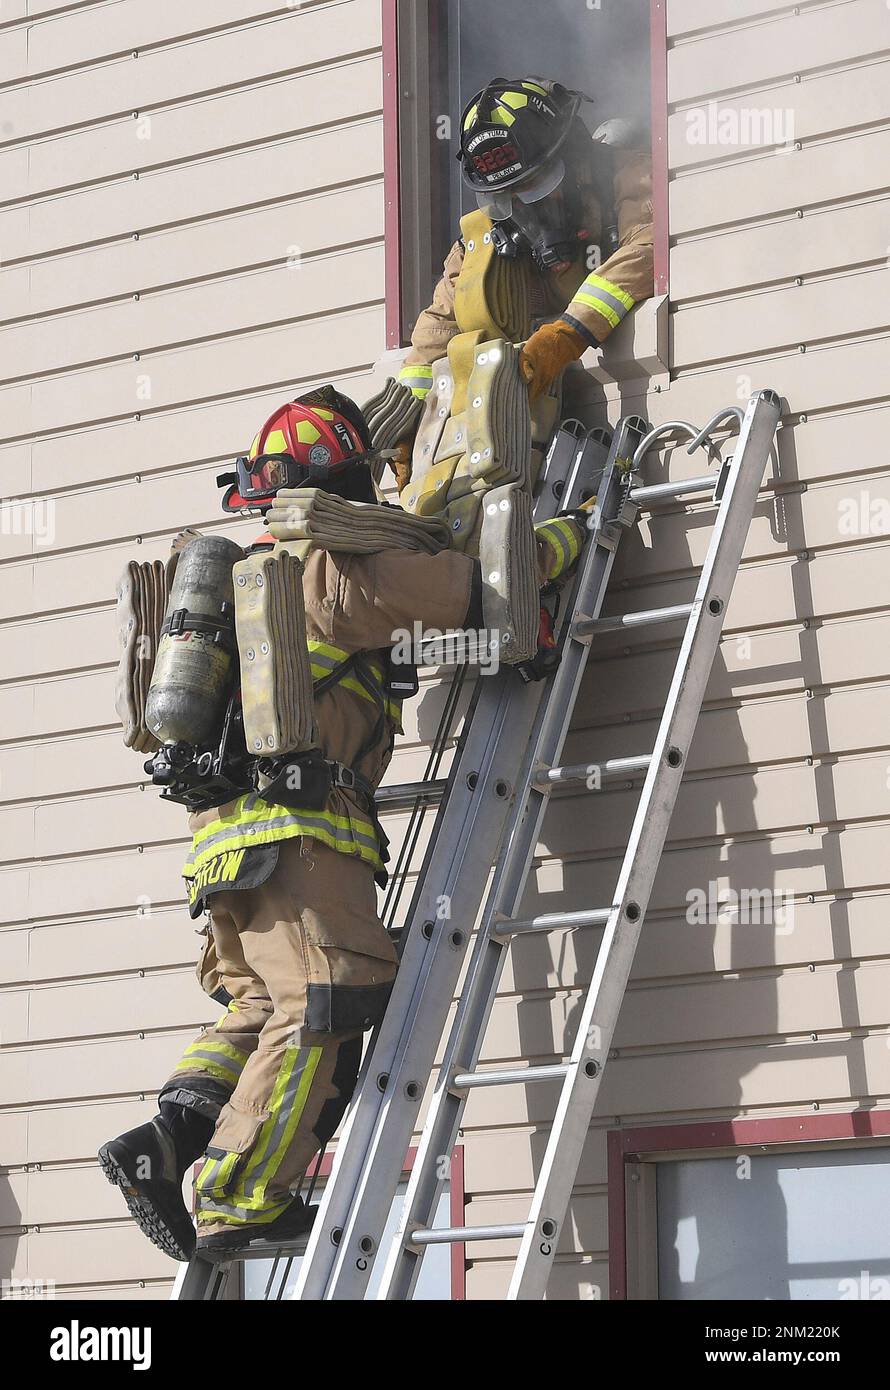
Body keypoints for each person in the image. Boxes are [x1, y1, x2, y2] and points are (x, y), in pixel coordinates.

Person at [99, 387, 585, 1261]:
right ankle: (239, 1193)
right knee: (323, 1004)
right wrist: (569, 532)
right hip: (304, 835)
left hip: (224, 842)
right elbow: (482, 589)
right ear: (348, 485)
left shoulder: (243, 582)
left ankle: (168, 1138)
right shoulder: (334, 568)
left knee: (259, 1001)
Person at [379, 77, 652, 490]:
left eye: (534, 188)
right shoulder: (481, 240)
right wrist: (405, 424)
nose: (524, 210)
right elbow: (434, 333)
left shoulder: (629, 177)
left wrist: (564, 336)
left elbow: (647, 247)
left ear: (575, 157)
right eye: (505, 198)